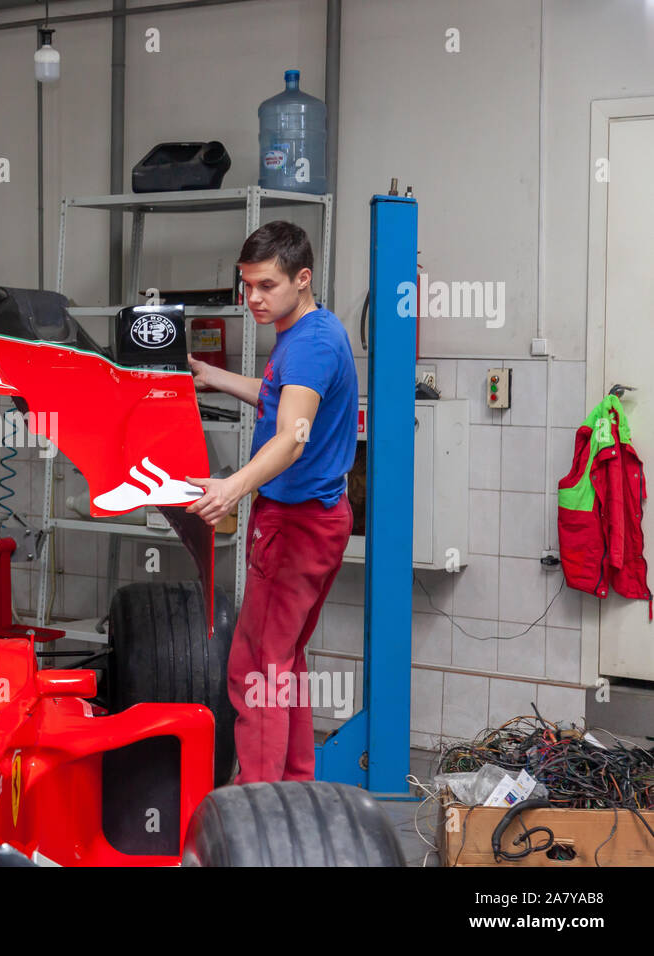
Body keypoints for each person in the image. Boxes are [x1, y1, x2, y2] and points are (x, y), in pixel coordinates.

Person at [186, 220, 358, 784]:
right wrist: (213, 376)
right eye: (246, 286)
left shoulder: (307, 347)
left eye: (265, 286)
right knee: (283, 662)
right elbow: (275, 394)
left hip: (294, 527)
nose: (252, 299)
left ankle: (256, 810)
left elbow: (292, 435)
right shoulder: (315, 329)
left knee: (254, 667)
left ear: (302, 278)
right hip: (317, 521)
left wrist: (233, 487)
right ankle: (294, 788)